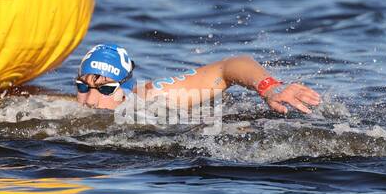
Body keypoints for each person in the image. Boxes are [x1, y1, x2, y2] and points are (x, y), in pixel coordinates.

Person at [73, 43, 321, 115]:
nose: (90, 100)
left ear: (125, 89)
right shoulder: (61, 109)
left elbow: (229, 67)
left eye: (105, 89)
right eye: (82, 87)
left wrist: (270, 88)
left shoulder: (149, 99)